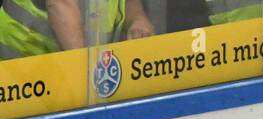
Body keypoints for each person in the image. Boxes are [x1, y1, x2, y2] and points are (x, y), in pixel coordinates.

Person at [0, 0, 153, 59]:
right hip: (21, 76)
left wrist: (137, 19)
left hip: (72, 71)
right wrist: (85, 71)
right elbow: (61, 4)